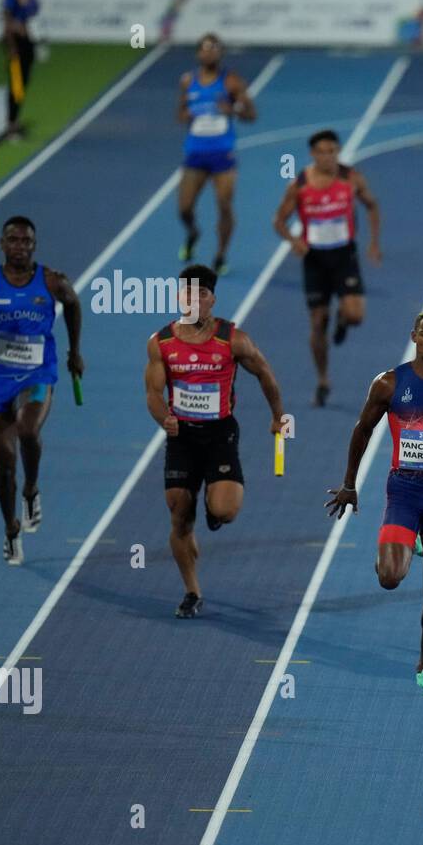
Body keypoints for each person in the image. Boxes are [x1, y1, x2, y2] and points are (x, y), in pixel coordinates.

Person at [325, 310, 423, 697]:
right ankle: (397, 548)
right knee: (390, 579)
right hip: (404, 492)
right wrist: (349, 484)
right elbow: (362, 430)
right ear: (414, 336)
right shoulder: (389, 384)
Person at [145, 264, 285, 618]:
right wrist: (165, 418)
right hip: (183, 437)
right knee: (179, 514)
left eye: (201, 294)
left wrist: (277, 415)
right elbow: (152, 392)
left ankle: (213, 506)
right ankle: (192, 591)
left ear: (212, 300)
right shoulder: (160, 342)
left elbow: (265, 372)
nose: (194, 300)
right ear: (180, 297)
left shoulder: (232, 339)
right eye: (187, 293)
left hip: (220, 432)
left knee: (225, 510)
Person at [0, 216, 83, 564]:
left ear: (34, 245)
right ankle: (11, 529)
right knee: (3, 465)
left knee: (28, 430)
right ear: (1, 244)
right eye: (12, 240)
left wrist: (75, 351)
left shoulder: (51, 281)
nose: (19, 247)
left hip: (38, 373)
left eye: (26, 241)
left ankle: (31, 490)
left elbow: (73, 304)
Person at [273, 129, 382, 406]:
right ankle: (323, 379)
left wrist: (373, 243)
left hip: (345, 256)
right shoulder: (299, 185)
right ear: (313, 154)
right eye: (321, 152)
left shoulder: (351, 178)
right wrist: (294, 241)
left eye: (332, 151)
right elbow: (279, 221)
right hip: (315, 260)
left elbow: (371, 205)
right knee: (318, 323)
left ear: (338, 151)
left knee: (356, 315)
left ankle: (343, 319)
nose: (327, 157)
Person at [176, 33, 257, 276]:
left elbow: (251, 115)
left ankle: (220, 256)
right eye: (205, 49)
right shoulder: (188, 81)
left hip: (222, 155)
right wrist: (186, 116)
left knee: (224, 205)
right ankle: (193, 233)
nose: (209, 53)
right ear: (198, 53)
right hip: (195, 154)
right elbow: (180, 114)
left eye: (214, 49)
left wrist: (231, 109)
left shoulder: (232, 82)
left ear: (220, 53)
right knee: (184, 208)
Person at [2, 0, 40, 140]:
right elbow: (7, 22)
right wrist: (11, 47)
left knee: (22, 84)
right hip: (16, 44)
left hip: (26, 42)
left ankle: (15, 121)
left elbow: (34, 11)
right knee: (16, 84)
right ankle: (11, 125)